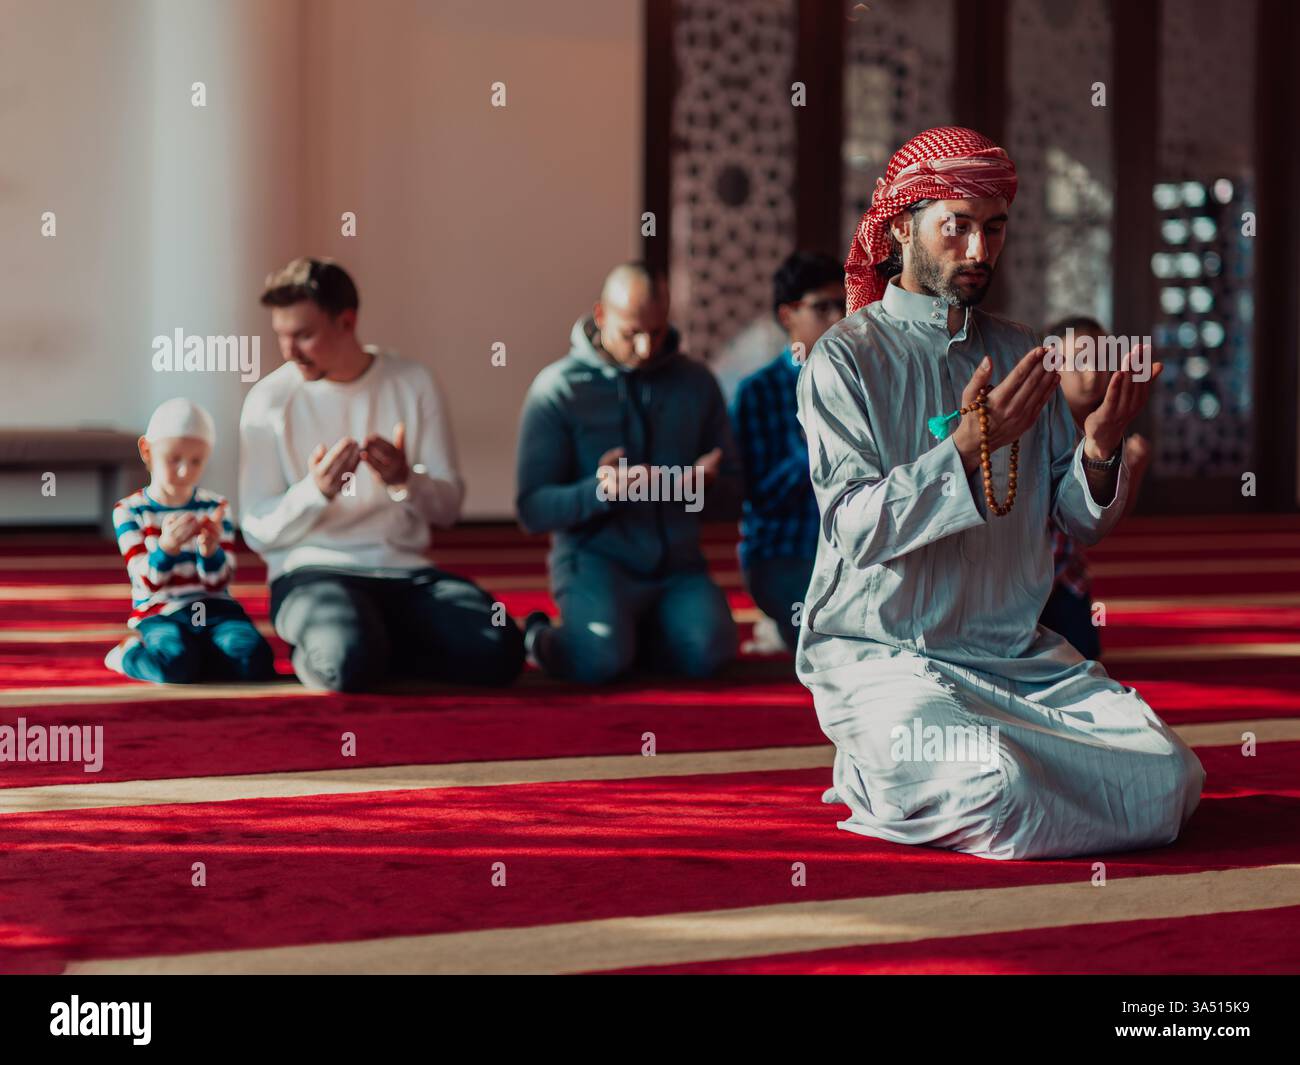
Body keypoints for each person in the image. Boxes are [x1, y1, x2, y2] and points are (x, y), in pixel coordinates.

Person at [796, 126, 1203, 860]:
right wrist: (965, 446)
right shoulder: (845, 360)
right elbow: (855, 526)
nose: (980, 251)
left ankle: (932, 765)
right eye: (956, 227)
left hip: (1013, 656)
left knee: (1169, 780)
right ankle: (875, 765)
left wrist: (1101, 444)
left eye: (994, 228)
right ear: (900, 226)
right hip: (889, 655)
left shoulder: (1020, 352)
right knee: (997, 793)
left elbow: (1077, 519)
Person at [239, 257, 524, 692]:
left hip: (404, 572)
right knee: (344, 664)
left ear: (347, 322)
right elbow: (257, 530)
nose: (288, 350)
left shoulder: (413, 382)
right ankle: (365, 646)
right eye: (281, 335)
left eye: (303, 335)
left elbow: (447, 510)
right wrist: (314, 492)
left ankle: (377, 644)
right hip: (312, 572)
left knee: (500, 650)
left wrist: (403, 481)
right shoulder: (269, 401)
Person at [516, 262, 742, 684]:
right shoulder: (560, 389)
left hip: (678, 568)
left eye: (656, 333)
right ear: (601, 316)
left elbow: (734, 496)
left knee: (710, 651)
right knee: (598, 659)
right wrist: (600, 492)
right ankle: (540, 638)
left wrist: (699, 489)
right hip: (595, 564)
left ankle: (635, 638)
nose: (645, 348)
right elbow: (533, 509)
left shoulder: (696, 383)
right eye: (630, 333)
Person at [106, 399, 275, 683]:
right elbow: (147, 582)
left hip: (216, 609)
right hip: (162, 613)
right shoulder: (129, 511)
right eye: (174, 459)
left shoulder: (215, 506)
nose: (185, 471)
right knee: (173, 665)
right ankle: (127, 654)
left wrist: (210, 552)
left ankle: (198, 657)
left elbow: (219, 584)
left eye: (196, 461)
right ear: (146, 450)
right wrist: (166, 548)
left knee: (254, 661)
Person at [732, 251, 844, 651]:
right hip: (784, 554)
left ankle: (785, 628)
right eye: (821, 306)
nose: (837, 317)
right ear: (786, 316)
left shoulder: (862, 383)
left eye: (843, 303)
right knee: (833, 639)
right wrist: (819, 445)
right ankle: (783, 623)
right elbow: (760, 495)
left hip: (853, 552)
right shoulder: (758, 392)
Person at [1039, 315, 1153, 659]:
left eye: (1101, 362)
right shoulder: (1030, 423)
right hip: (1021, 578)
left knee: (1085, 661)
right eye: (1080, 362)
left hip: (1068, 577)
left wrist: (1134, 468)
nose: (1092, 374)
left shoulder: (1108, 425)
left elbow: (1107, 521)